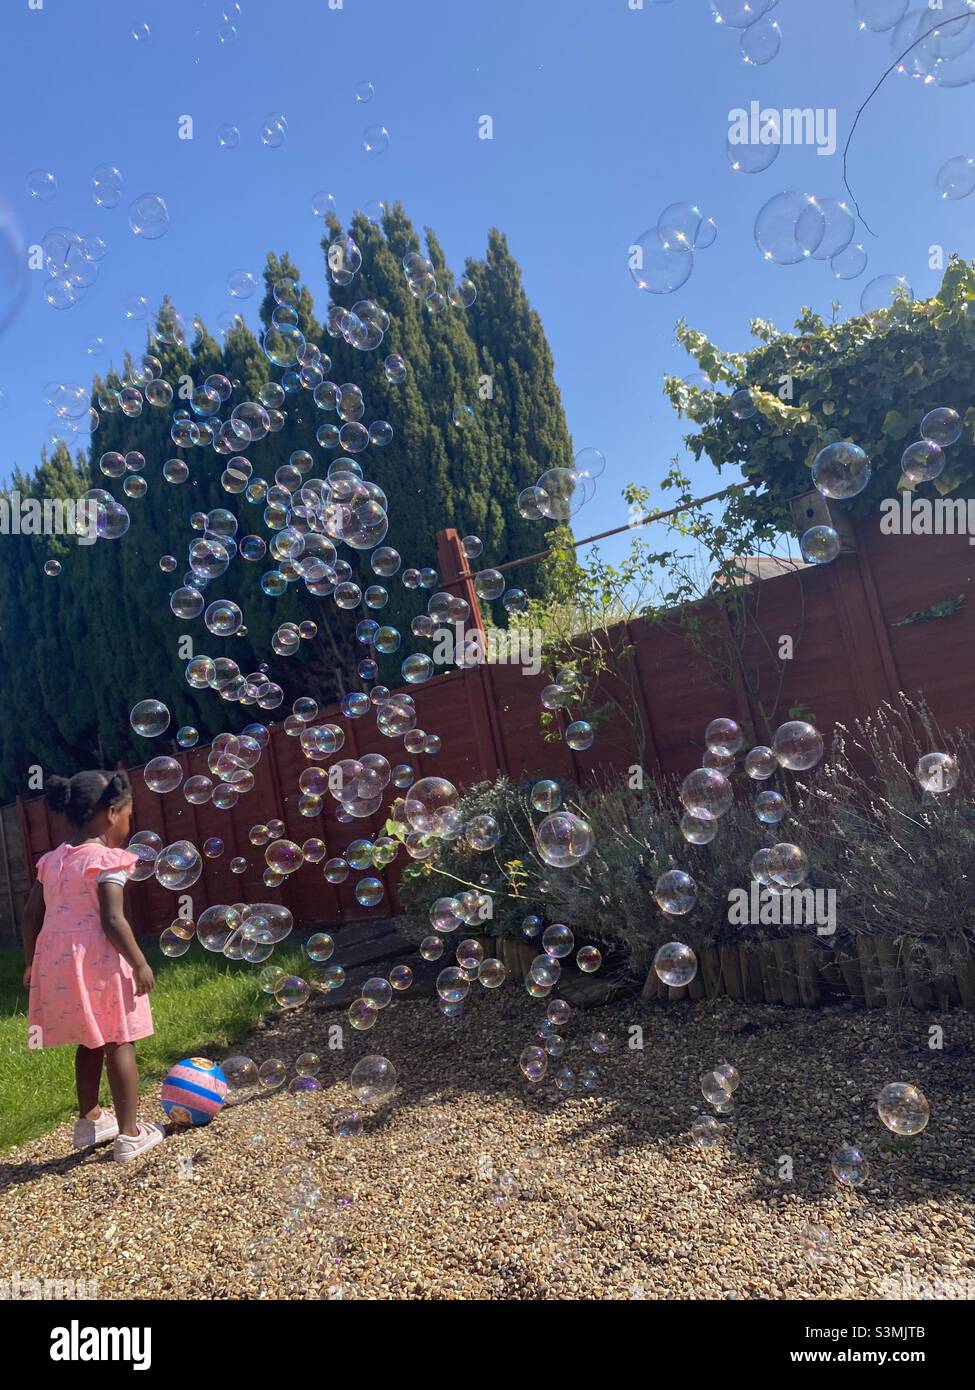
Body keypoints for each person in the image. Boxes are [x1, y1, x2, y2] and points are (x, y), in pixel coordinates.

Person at [20, 770, 163, 1163]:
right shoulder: (107, 860)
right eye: (129, 812)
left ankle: (89, 1122)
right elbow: (112, 919)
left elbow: (31, 915)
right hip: (97, 959)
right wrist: (139, 962)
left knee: (90, 1038)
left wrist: (31, 963)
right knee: (119, 1038)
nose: (130, 820)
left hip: (57, 962)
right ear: (112, 812)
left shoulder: (51, 860)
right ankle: (130, 1135)